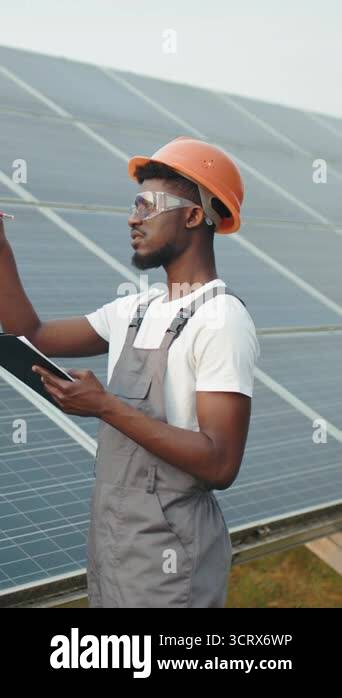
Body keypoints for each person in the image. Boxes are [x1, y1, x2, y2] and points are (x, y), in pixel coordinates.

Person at [0, 137, 260, 608]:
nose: (132, 217)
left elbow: (221, 464)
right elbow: (30, 334)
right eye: (132, 204)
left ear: (195, 215)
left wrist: (106, 407)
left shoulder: (221, 319)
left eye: (147, 204)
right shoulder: (135, 310)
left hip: (172, 560)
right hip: (114, 545)